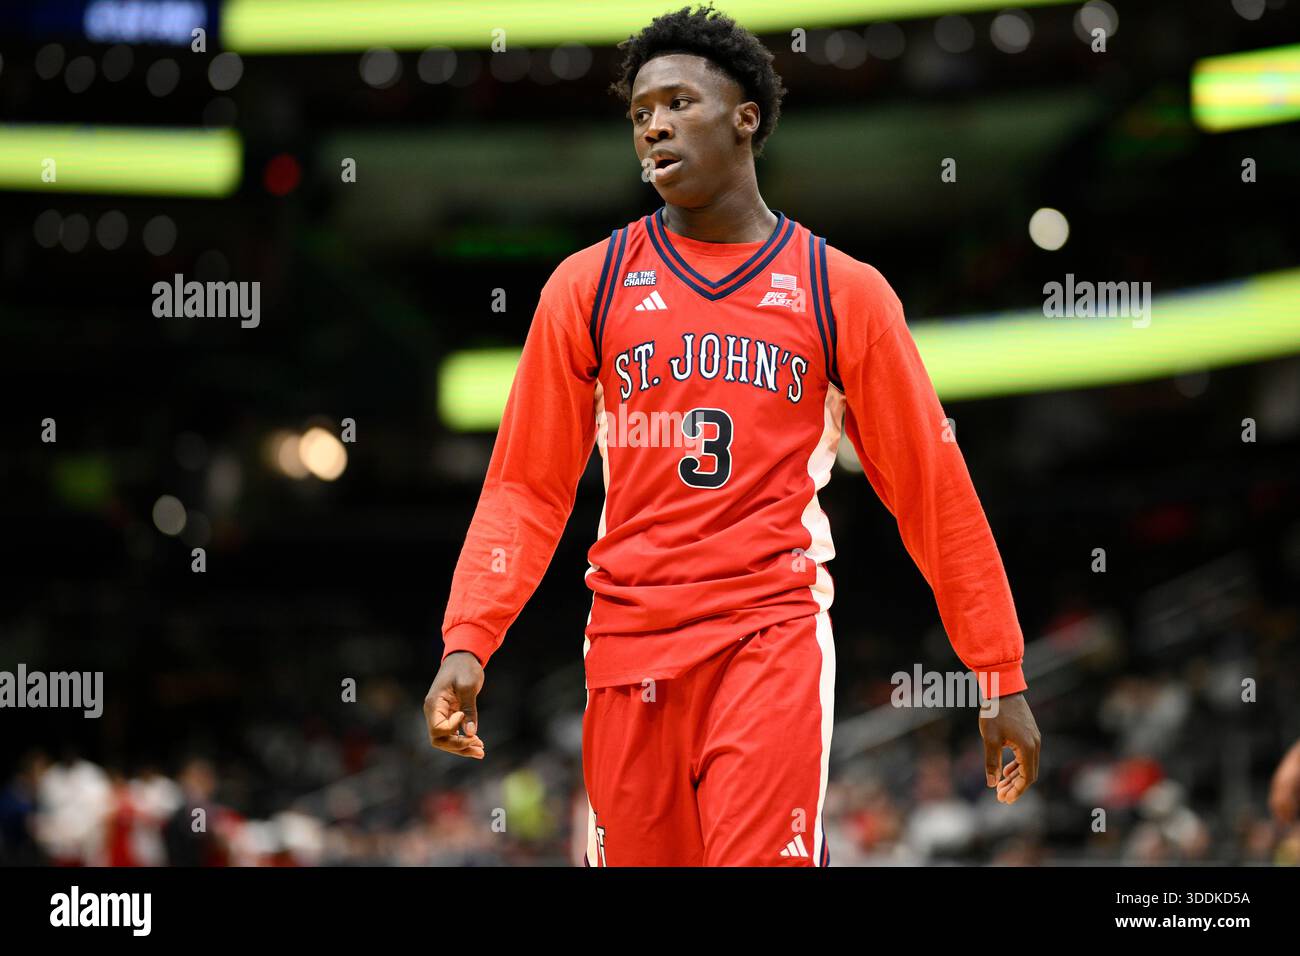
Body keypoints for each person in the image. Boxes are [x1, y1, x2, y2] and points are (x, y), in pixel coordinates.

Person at [425, 3, 1040, 866]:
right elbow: (525, 486)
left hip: (768, 634)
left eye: (678, 103)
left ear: (746, 117)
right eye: (640, 113)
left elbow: (931, 489)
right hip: (627, 648)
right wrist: (468, 638)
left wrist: (999, 669)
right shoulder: (586, 288)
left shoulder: (842, 291)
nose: (654, 127)